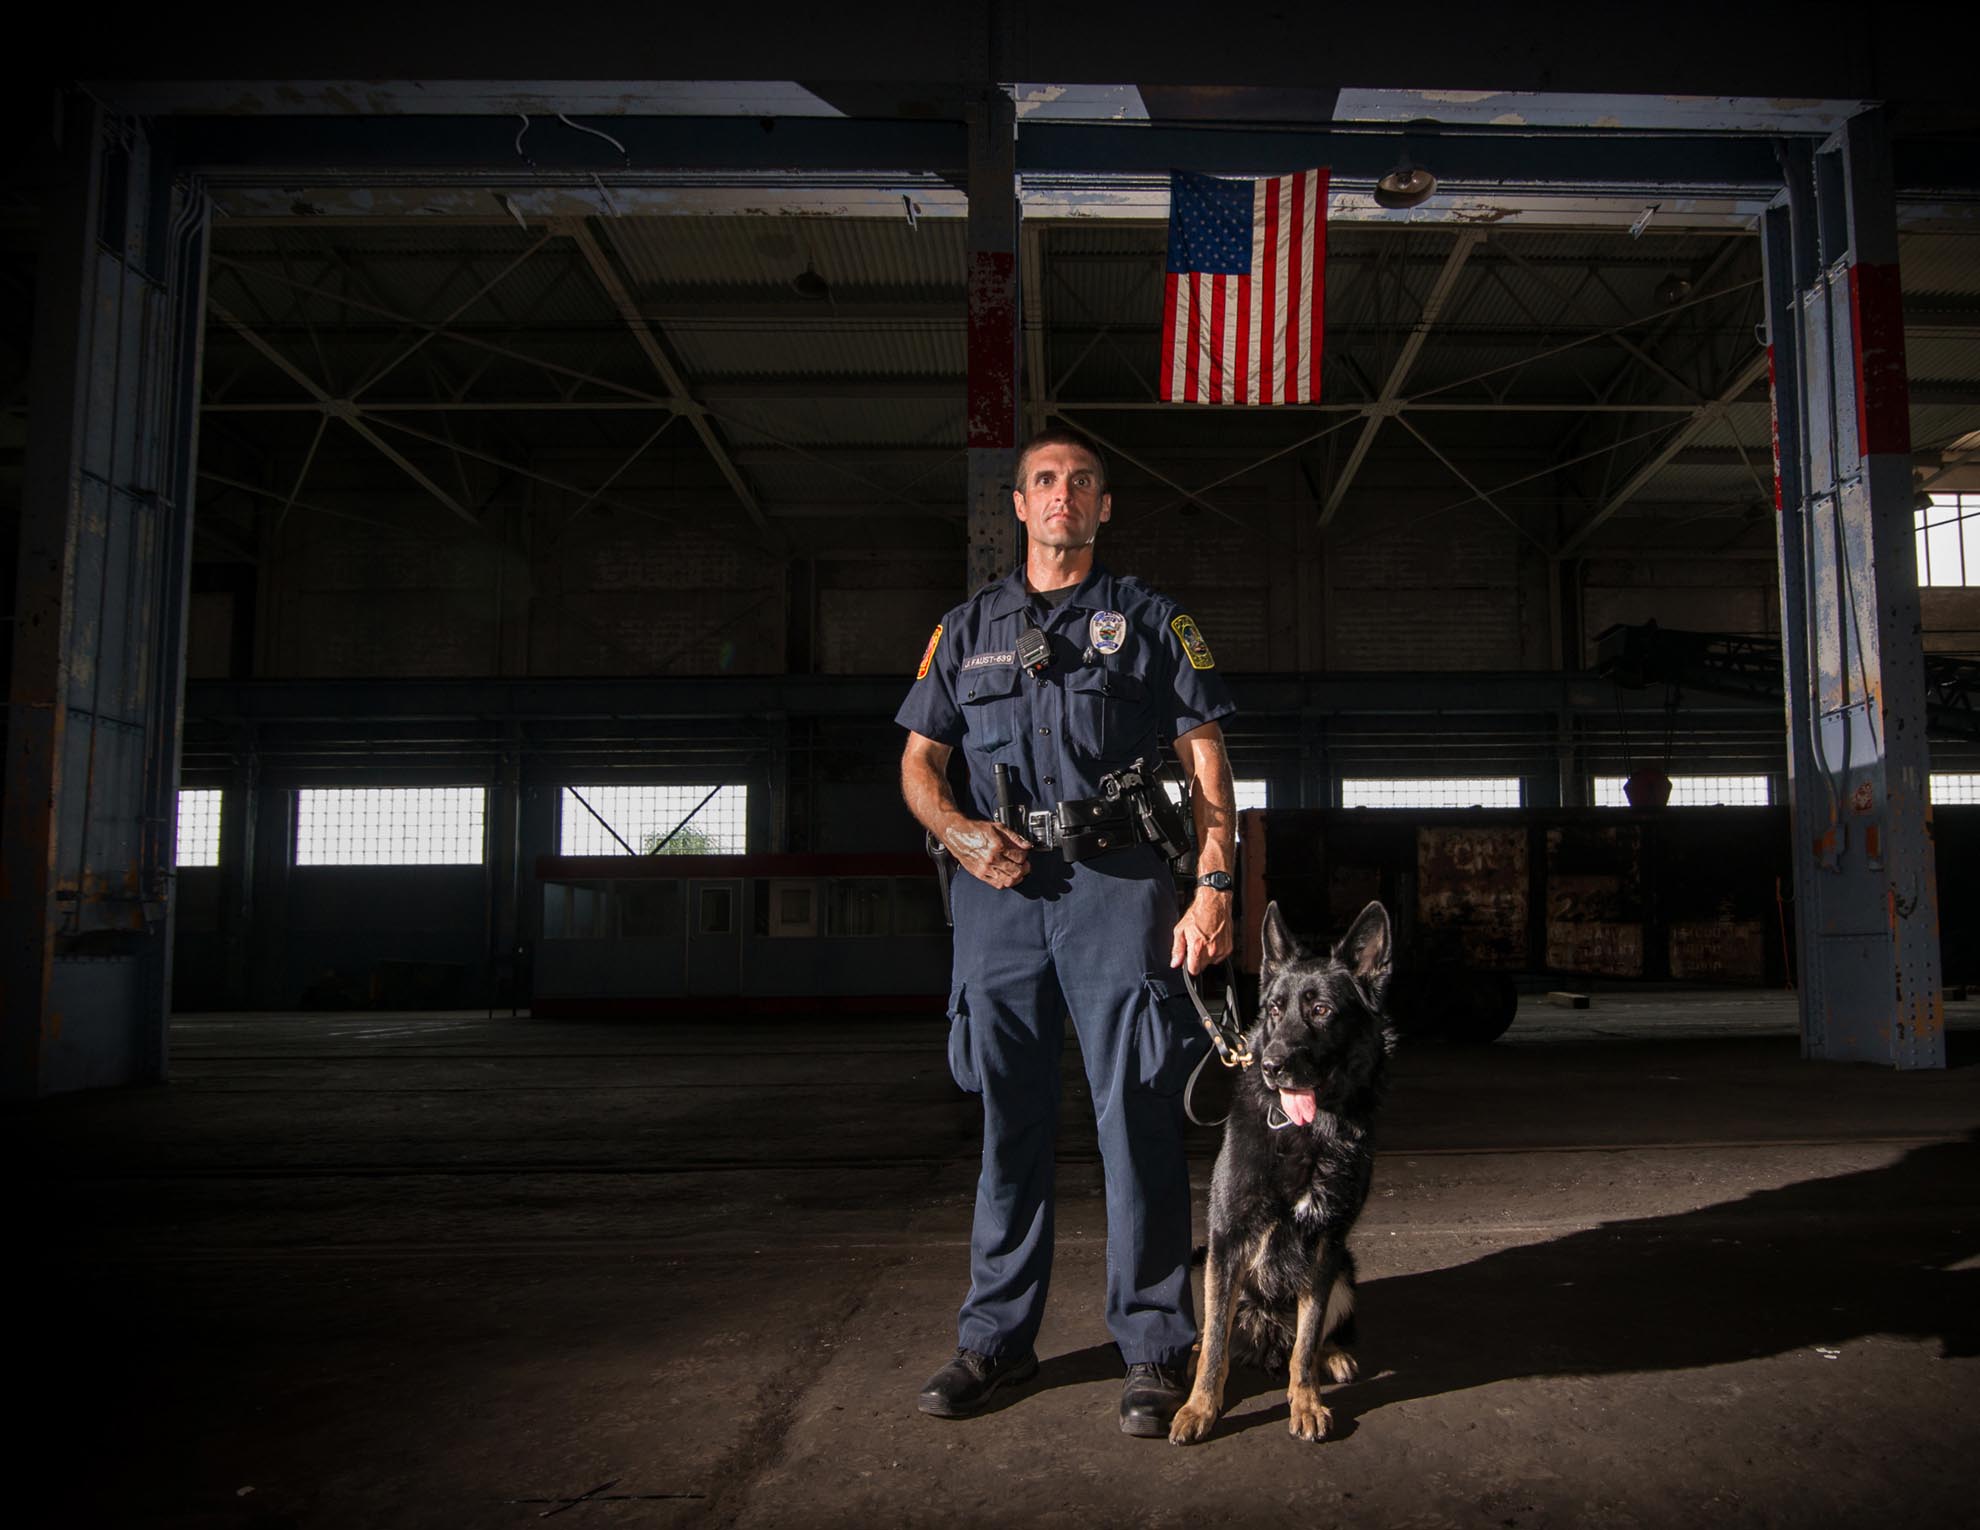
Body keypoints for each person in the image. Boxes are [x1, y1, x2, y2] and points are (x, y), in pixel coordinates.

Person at [895, 427, 1238, 1437]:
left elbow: (1211, 765)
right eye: (1044, 480)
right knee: (1010, 1122)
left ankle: (1154, 1346)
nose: (1062, 495)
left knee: (1135, 1116)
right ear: (1017, 504)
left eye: (1081, 482)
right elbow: (919, 765)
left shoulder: (1150, 622)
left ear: (1103, 506)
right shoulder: (964, 631)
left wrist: (1213, 888)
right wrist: (958, 833)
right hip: (997, 898)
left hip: (1118, 887)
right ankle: (996, 1342)